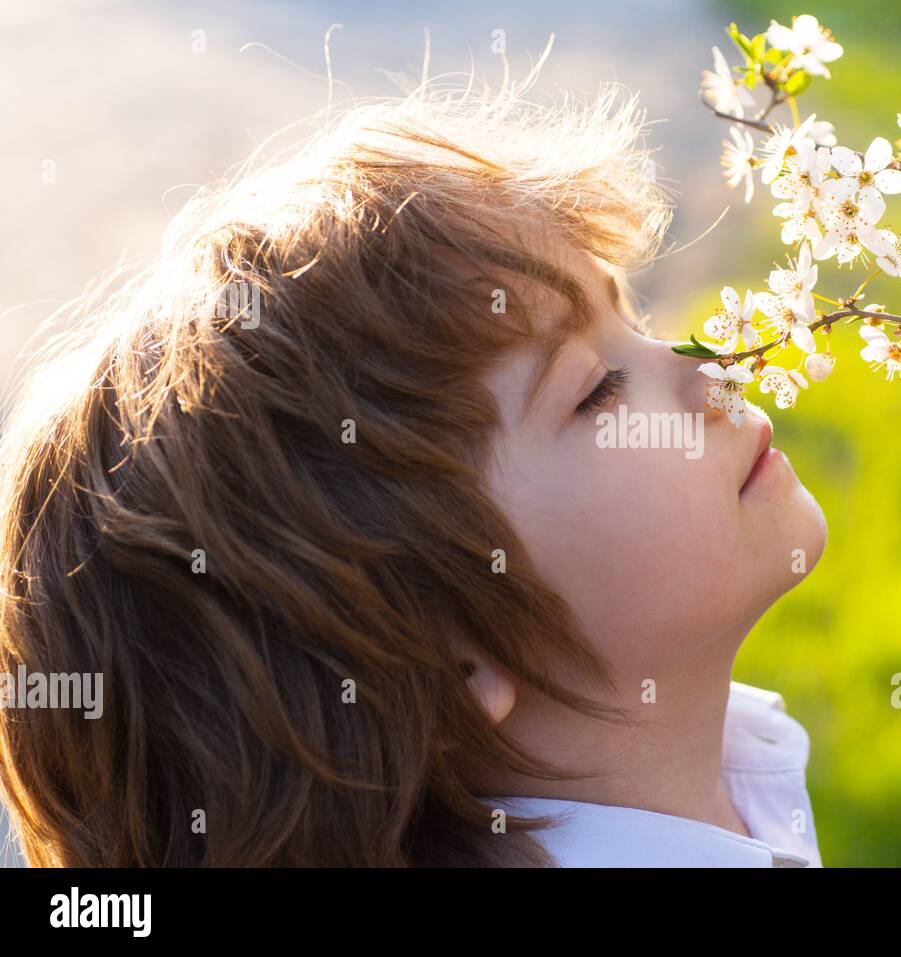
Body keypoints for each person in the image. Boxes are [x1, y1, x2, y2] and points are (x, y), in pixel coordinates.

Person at [0, 59, 827, 866]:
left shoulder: (737, 767)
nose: (707, 362)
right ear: (456, 668)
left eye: (633, 313)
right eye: (597, 390)